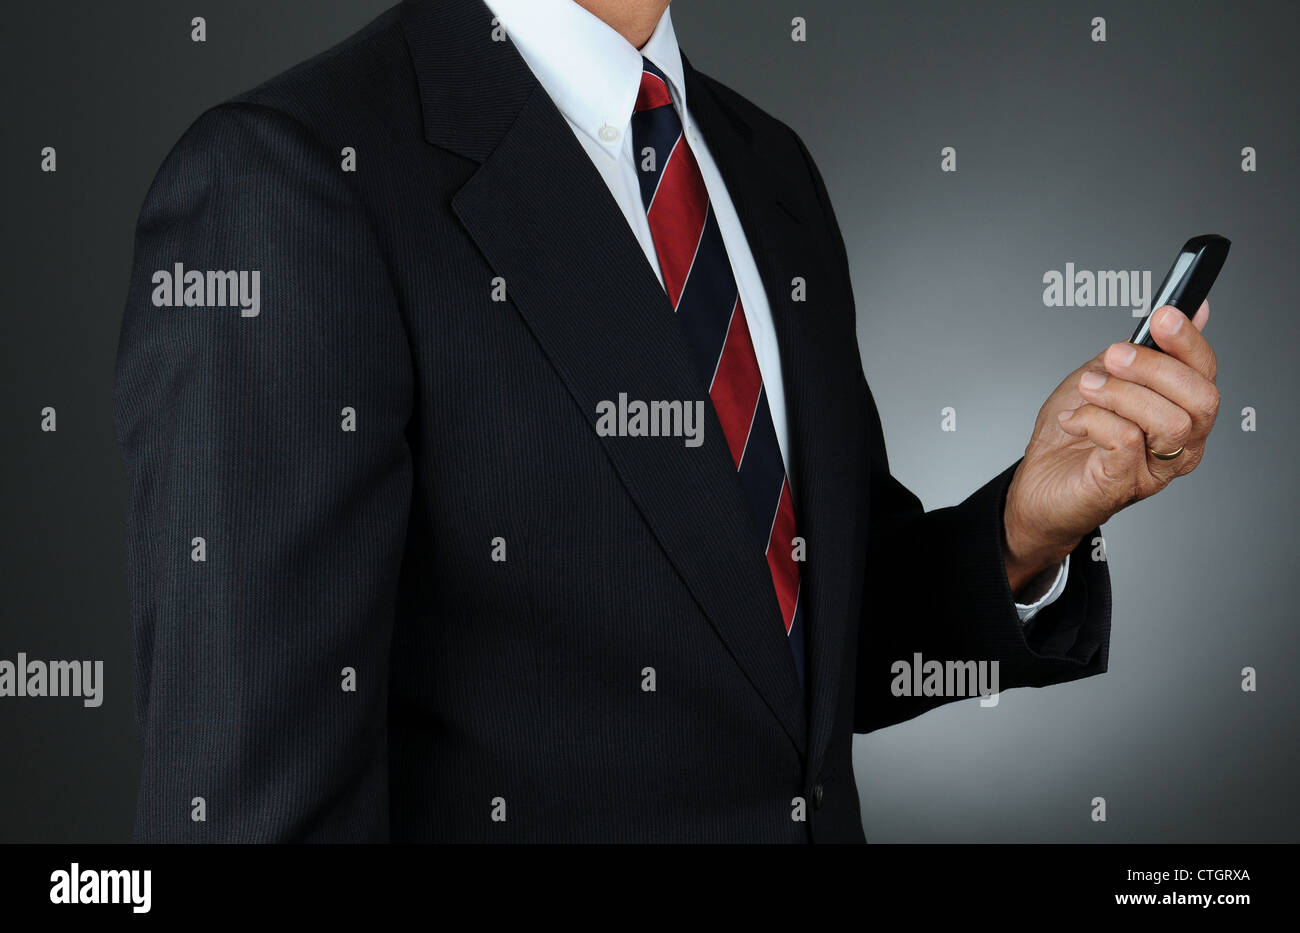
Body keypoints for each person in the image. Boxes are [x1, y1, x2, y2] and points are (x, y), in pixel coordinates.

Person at [113, 0, 1221, 842]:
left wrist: (1029, 522)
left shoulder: (763, 166)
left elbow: (794, 649)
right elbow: (256, 803)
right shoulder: (290, 178)